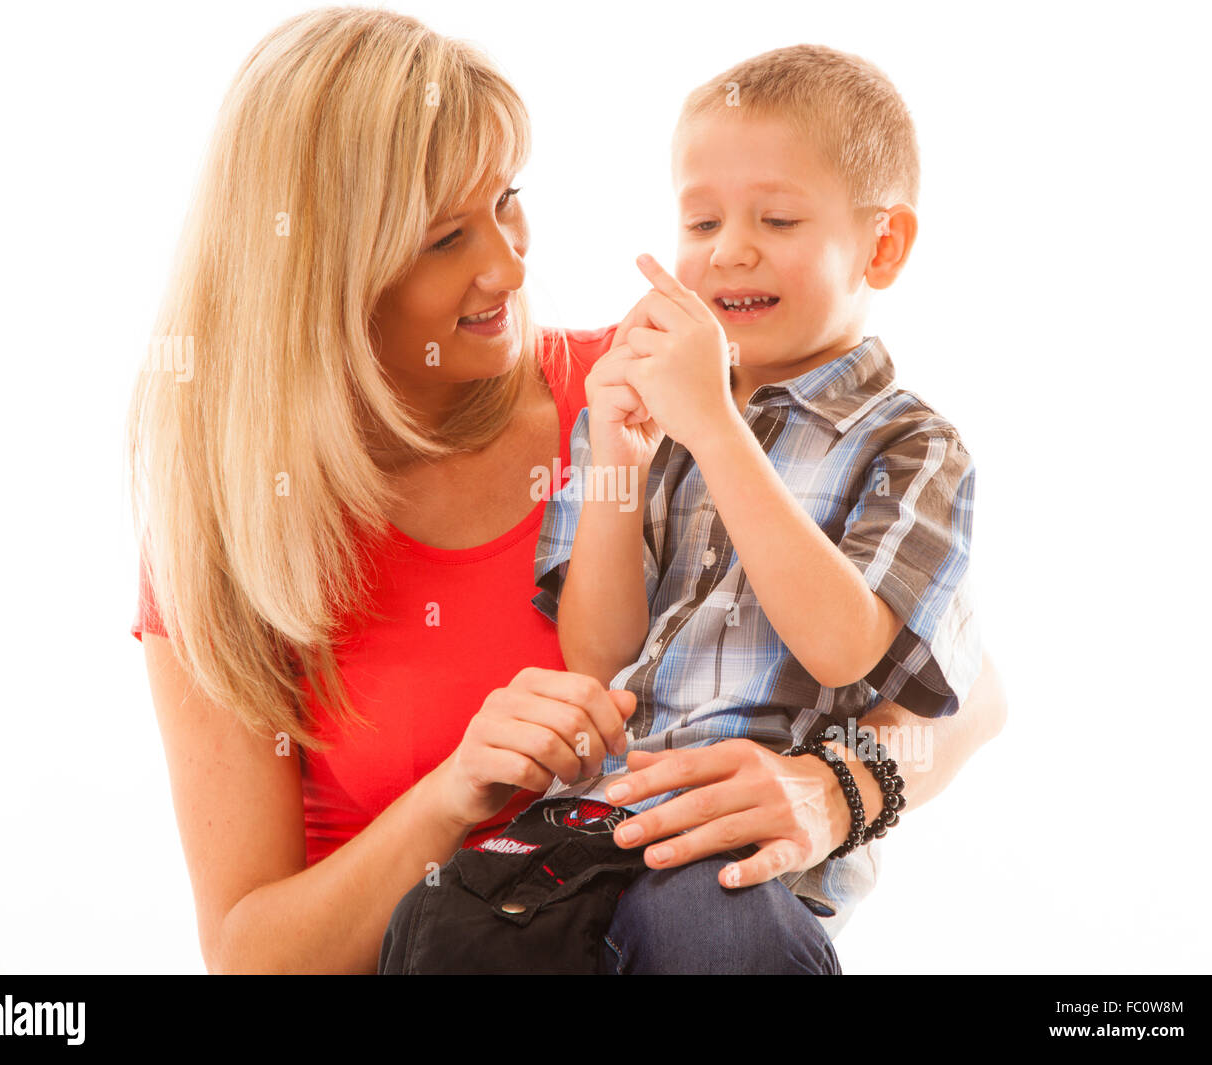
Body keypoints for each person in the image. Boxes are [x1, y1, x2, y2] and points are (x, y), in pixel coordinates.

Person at [129, 9, 1007, 975]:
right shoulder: (232, 529)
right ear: (324, 275)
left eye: (508, 200)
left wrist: (840, 787)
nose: (509, 264)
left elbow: (970, 697)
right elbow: (252, 958)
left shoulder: (646, 395)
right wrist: (455, 792)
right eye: (445, 238)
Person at [378, 43, 986, 974]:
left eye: (777, 218)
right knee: (445, 926)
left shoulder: (913, 446)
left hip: (750, 855)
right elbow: (597, 650)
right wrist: (621, 452)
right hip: (606, 818)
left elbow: (845, 646)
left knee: (697, 923)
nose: (729, 248)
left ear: (884, 244)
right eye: (701, 221)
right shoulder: (640, 407)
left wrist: (717, 427)